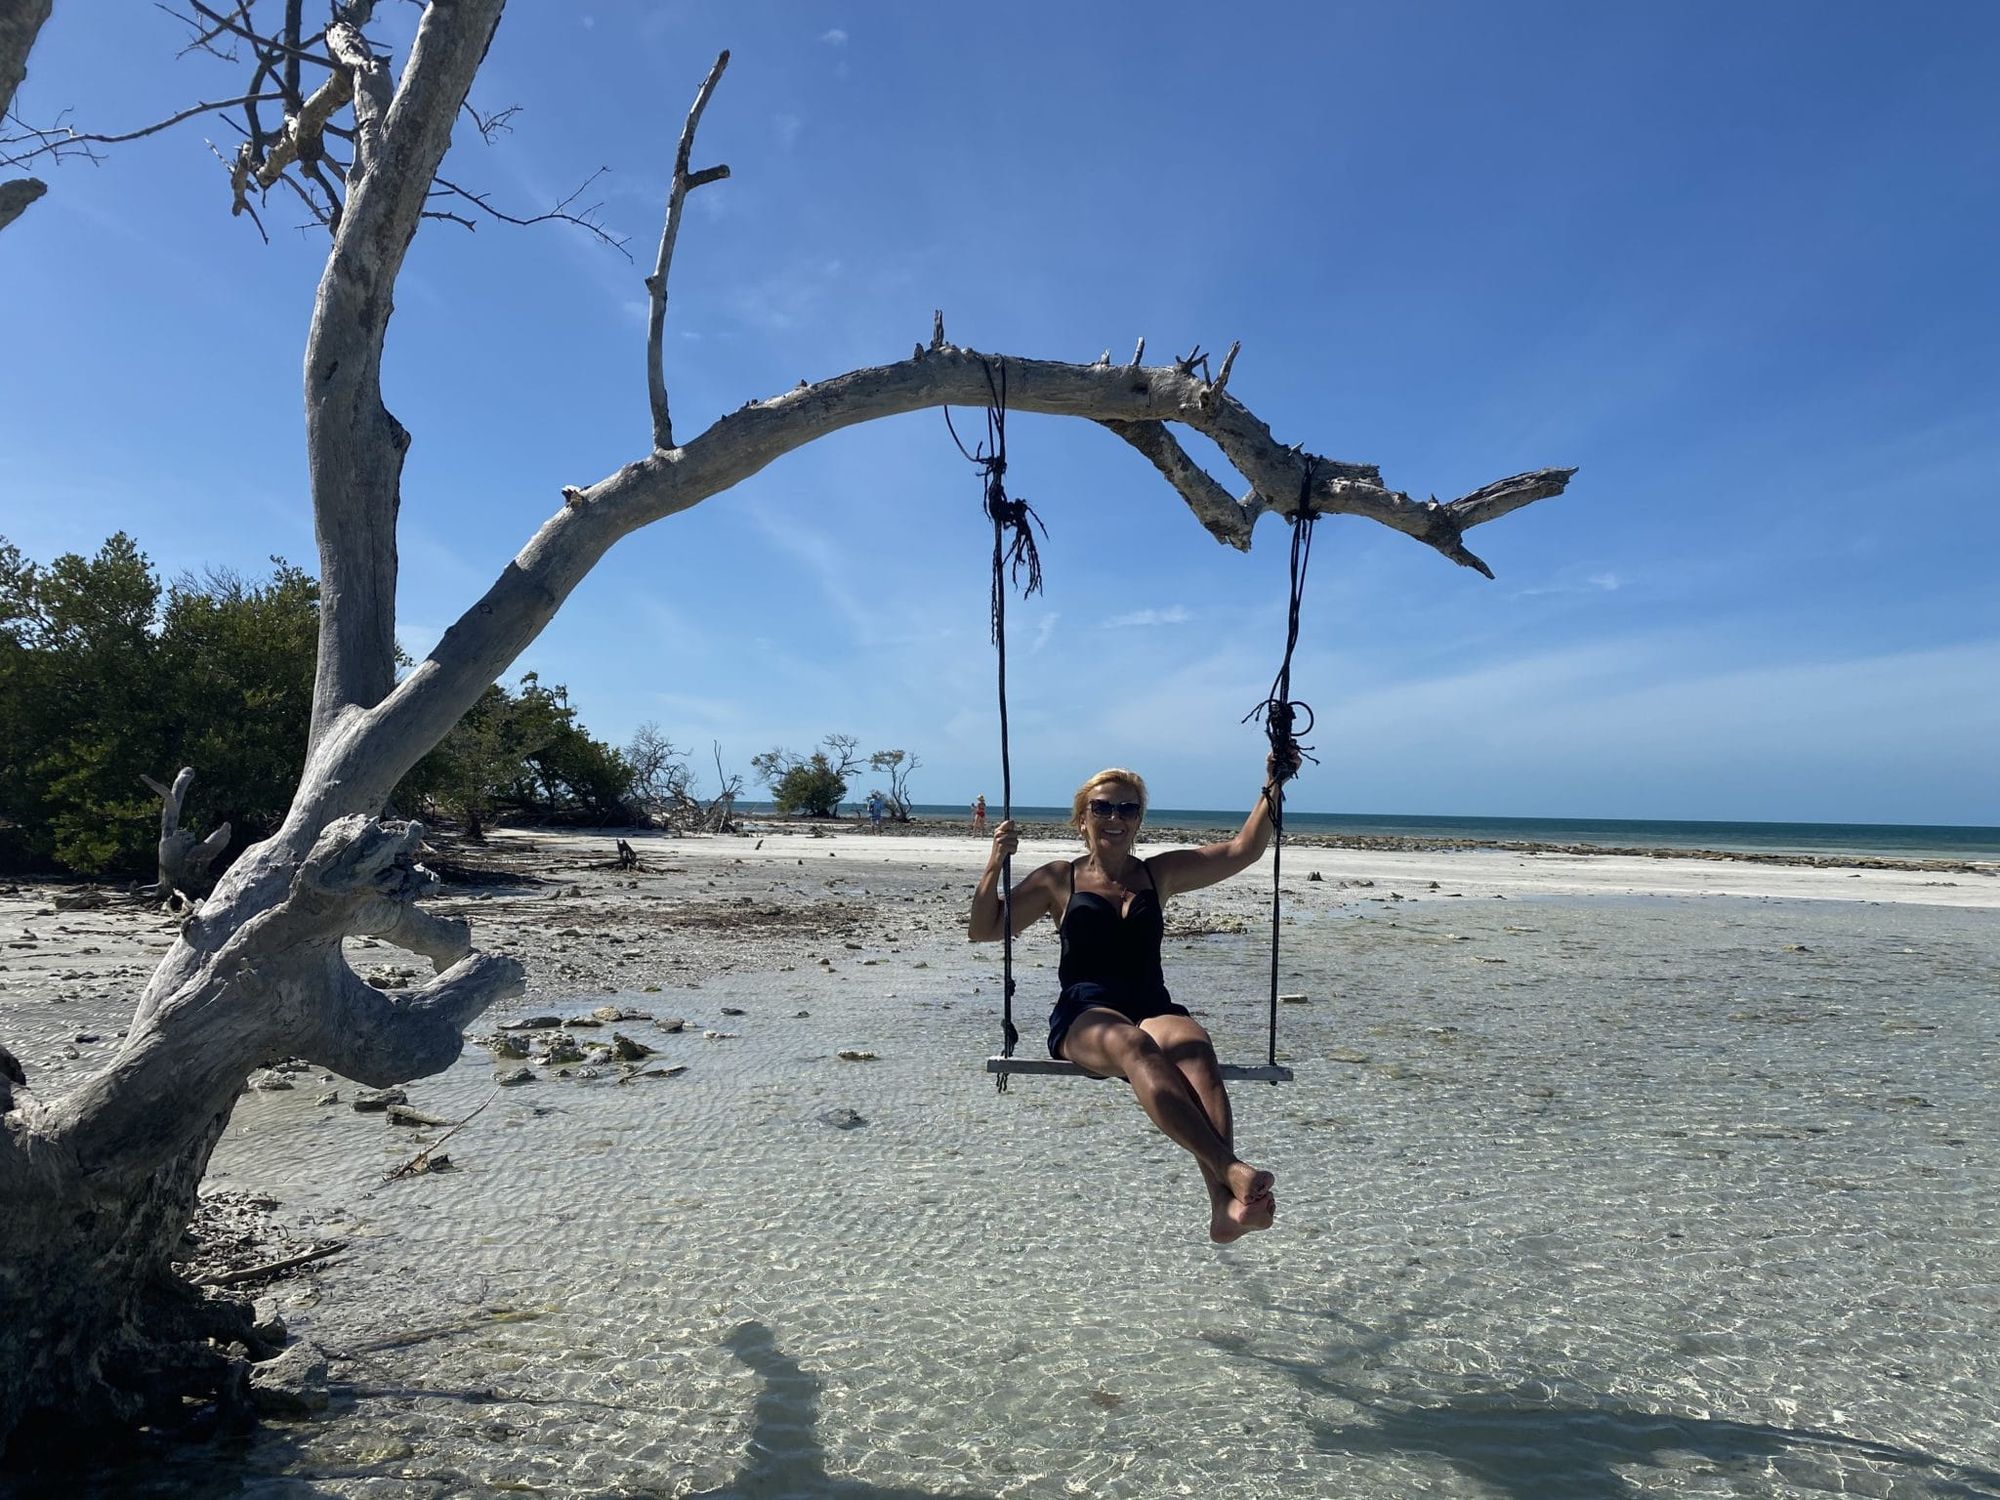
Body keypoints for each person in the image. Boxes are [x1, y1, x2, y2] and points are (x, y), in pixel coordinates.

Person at [968, 753, 1296, 1242]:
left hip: (1152, 1003)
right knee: (1134, 1047)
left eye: (1128, 808)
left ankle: (1224, 1210)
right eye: (1103, 808)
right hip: (1085, 1012)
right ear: (1082, 819)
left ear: (1140, 818)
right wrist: (996, 862)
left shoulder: (1158, 875)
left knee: (1195, 1047)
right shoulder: (1061, 878)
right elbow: (985, 929)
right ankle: (1231, 1171)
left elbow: (1245, 849)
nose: (1115, 818)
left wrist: (1273, 782)